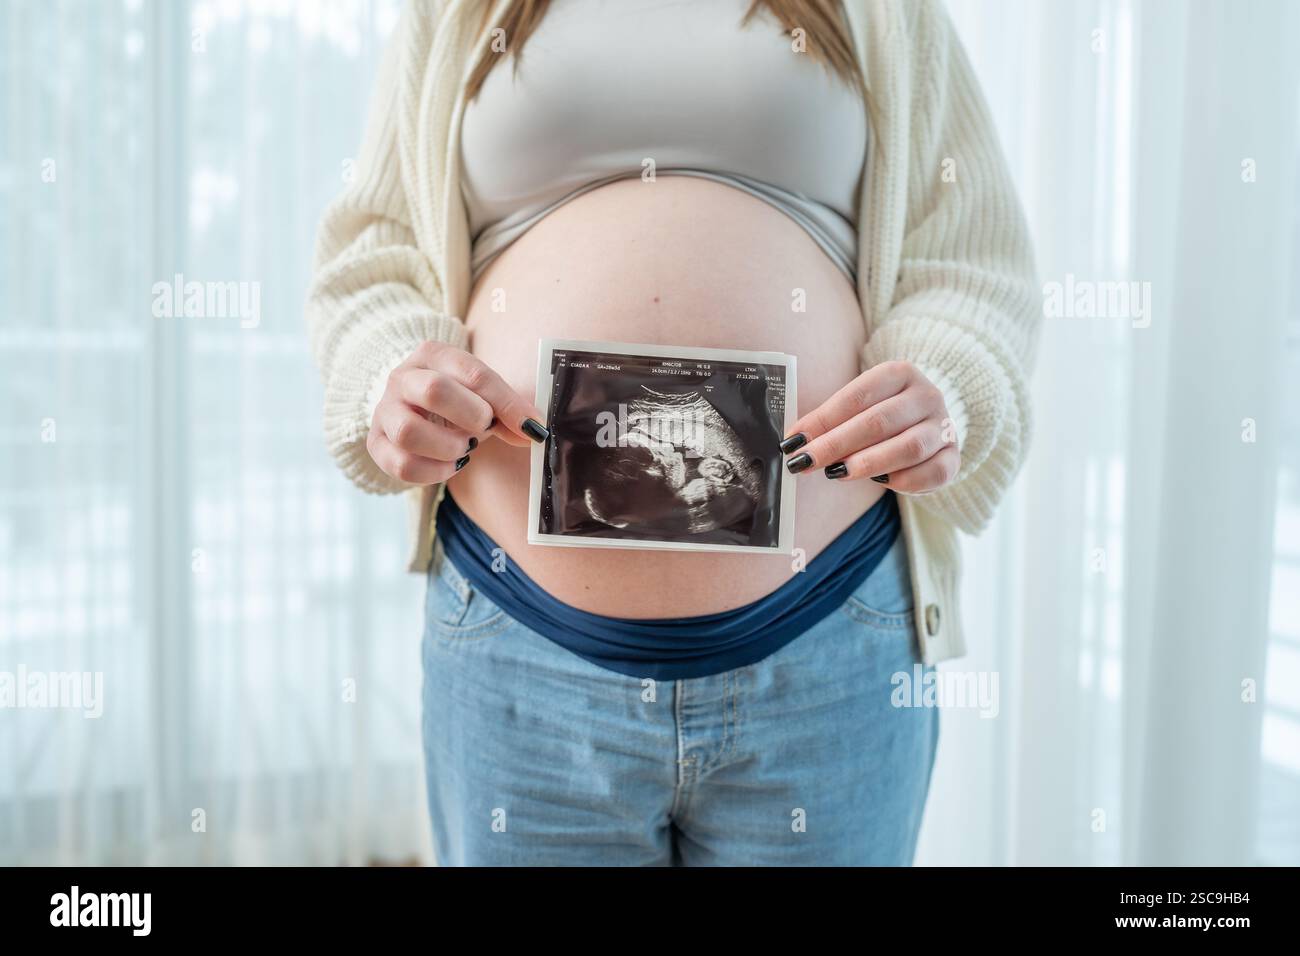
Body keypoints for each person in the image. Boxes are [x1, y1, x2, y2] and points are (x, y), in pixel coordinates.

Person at [306, 0, 1040, 865]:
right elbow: (373, 258)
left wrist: (950, 386)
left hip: (827, 641)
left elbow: (971, 262)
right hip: (516, 646)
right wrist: (388, 382)